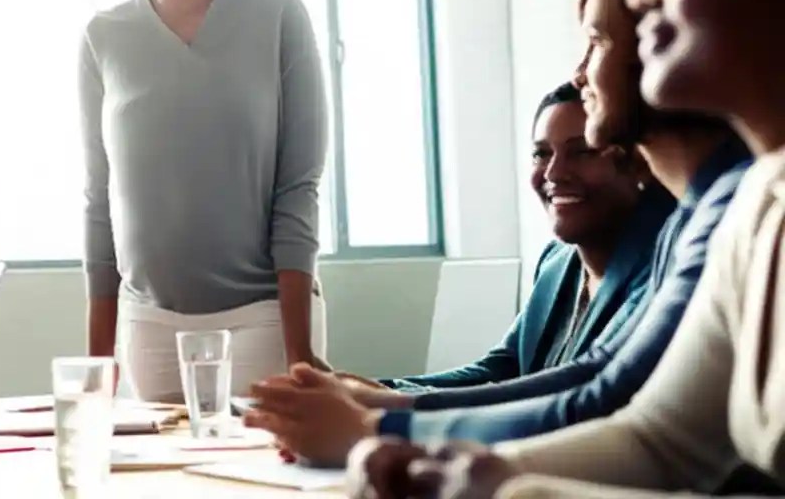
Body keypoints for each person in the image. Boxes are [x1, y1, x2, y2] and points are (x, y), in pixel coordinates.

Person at [347, 0, 785, 498]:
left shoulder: (715, 208)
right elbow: (660, 440)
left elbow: (607, 394)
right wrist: (478, 468)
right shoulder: (758, 201)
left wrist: (504, 489)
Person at [249, 0, 752, 470]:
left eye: (598, 41)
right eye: (541, 154)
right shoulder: (683, 218)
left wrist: (383, 427)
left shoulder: (712, 213)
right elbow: (581, 378)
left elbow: (609, 403)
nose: (581, 74)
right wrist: (386, 400)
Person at [248, 76, 676, 463]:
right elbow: (502, 369)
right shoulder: (558, 262)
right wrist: (383, 390)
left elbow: (577, 396)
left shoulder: (661, 266)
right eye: (541, 154)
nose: (553, 172)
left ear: (636, 161)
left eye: (581, 152)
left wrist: (380, 411)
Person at [77, 0, 329, 400]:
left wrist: (301, 354)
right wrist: (97, 366)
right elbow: (99, 204)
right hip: (149, 327)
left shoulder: (279, 17)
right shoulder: (102, 36)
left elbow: (298, 191)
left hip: (263, 322)